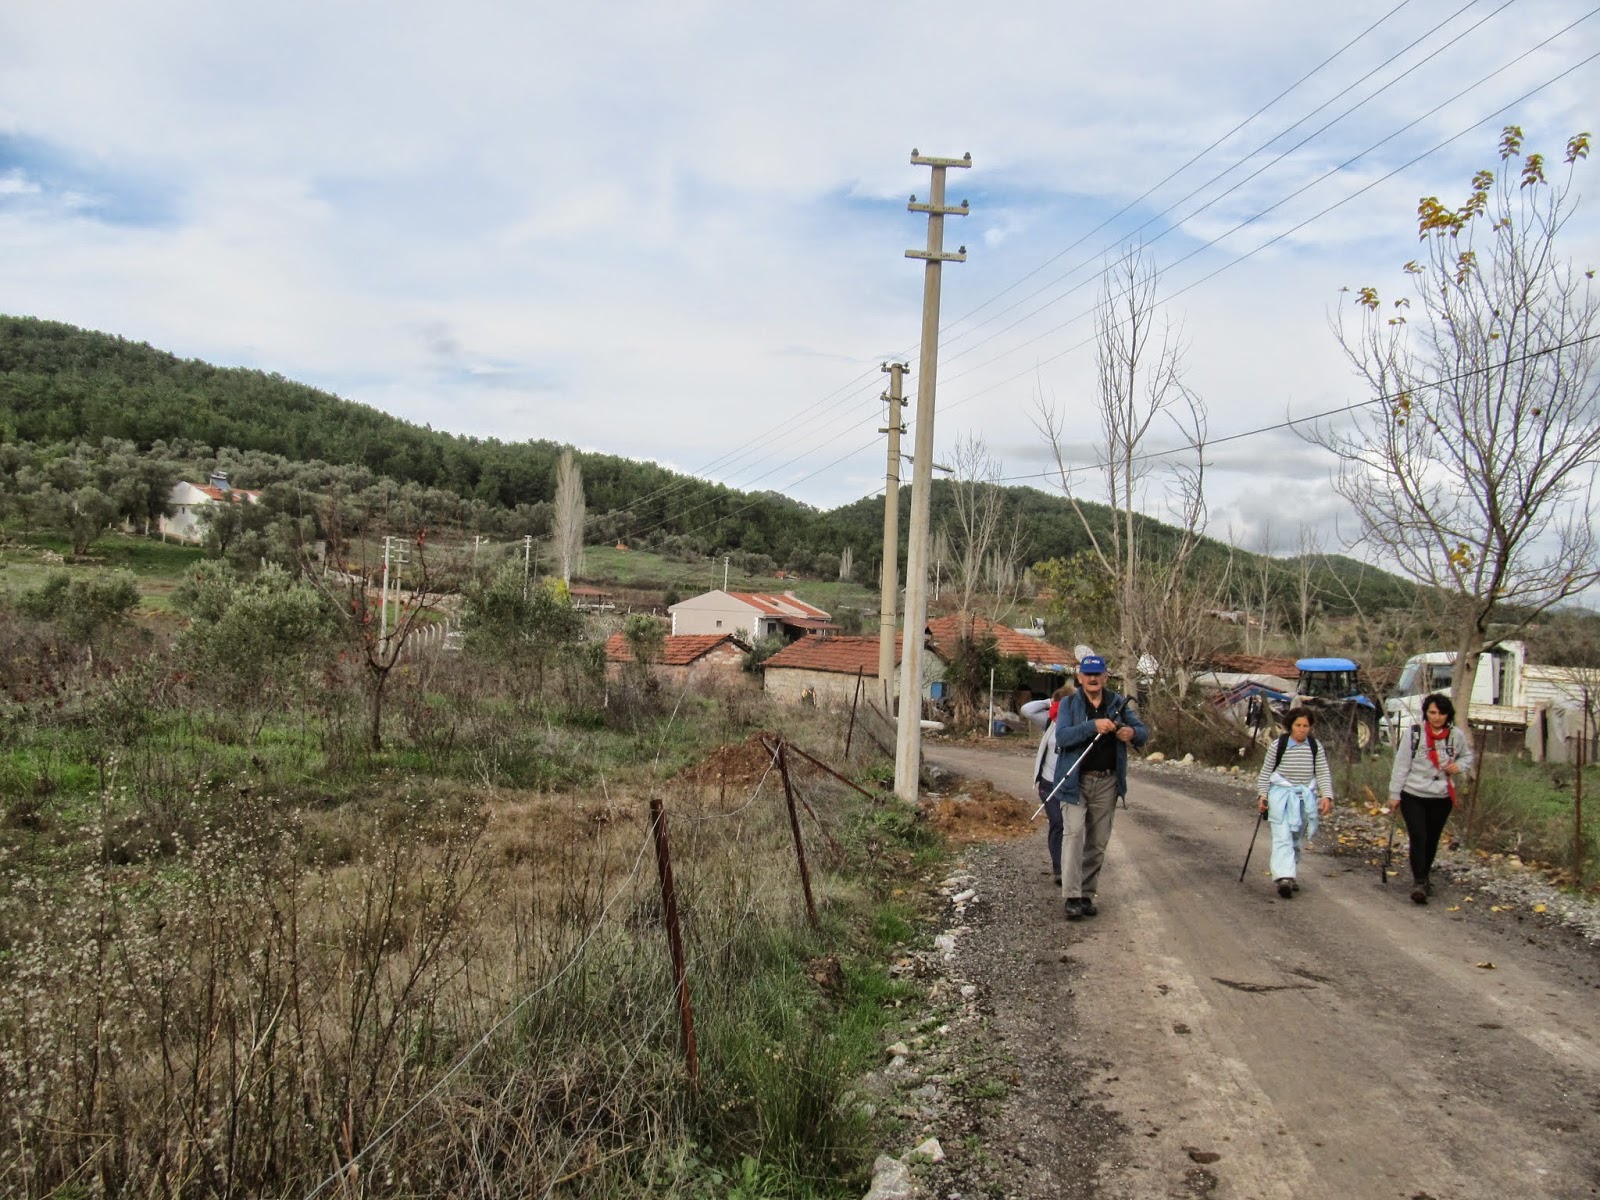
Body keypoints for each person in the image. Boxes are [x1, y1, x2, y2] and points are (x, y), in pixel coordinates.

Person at [1052, 655, 1147, 919]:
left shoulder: (1118, 703)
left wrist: (1131, 733)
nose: (1093, 679)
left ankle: (1086, 894)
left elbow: (1142, 731)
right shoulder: (1069, 704)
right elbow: (1062, 737)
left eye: (1098, 674)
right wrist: (1091, 726)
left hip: (1107, 781)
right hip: (1075, 781)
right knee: (1072, 835)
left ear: (1106, 677)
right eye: (1087, 674)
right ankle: (1071, 897)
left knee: (1098, 842)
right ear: (1080, 677)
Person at [1387, 692, 1474, 905]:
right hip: (1413, 793)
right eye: (1432, 712)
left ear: (1448, 715)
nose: (1436, 717)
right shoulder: (1415, 734)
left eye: (1441, 713)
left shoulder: (1456, 736)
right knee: (1419, 836)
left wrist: (1458, 766)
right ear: (1426, 713)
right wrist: (1394, 794)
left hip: (1441, 796)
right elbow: (1401, 765)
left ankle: (1425, 876)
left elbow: (1468, 756)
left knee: (1432, 839)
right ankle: (1418, 881)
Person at [1255, 708, 1334, 899]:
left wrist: (1326, 797)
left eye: (1306, 726)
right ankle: (1283, 877)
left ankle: (1290, 875)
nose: (1302, 729)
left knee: (1295, 839)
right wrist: (1262, 795)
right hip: (1280, 797)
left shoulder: (1315, 746)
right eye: (1298, 725)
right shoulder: (1278, 745)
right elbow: (1266, 773)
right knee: (1282, 837)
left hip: (1304, 798)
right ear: (1290, 726)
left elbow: (1322, 773)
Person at [1025, 685, 1074, 886]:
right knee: (1058, 823)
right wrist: (1049, 702)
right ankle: (1059, 868)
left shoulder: (1078, 723)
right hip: (1048, 783)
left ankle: (1071, 865)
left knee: (1072, 827)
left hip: (1070, 783)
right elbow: (1026, 710)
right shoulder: (1049, 721)